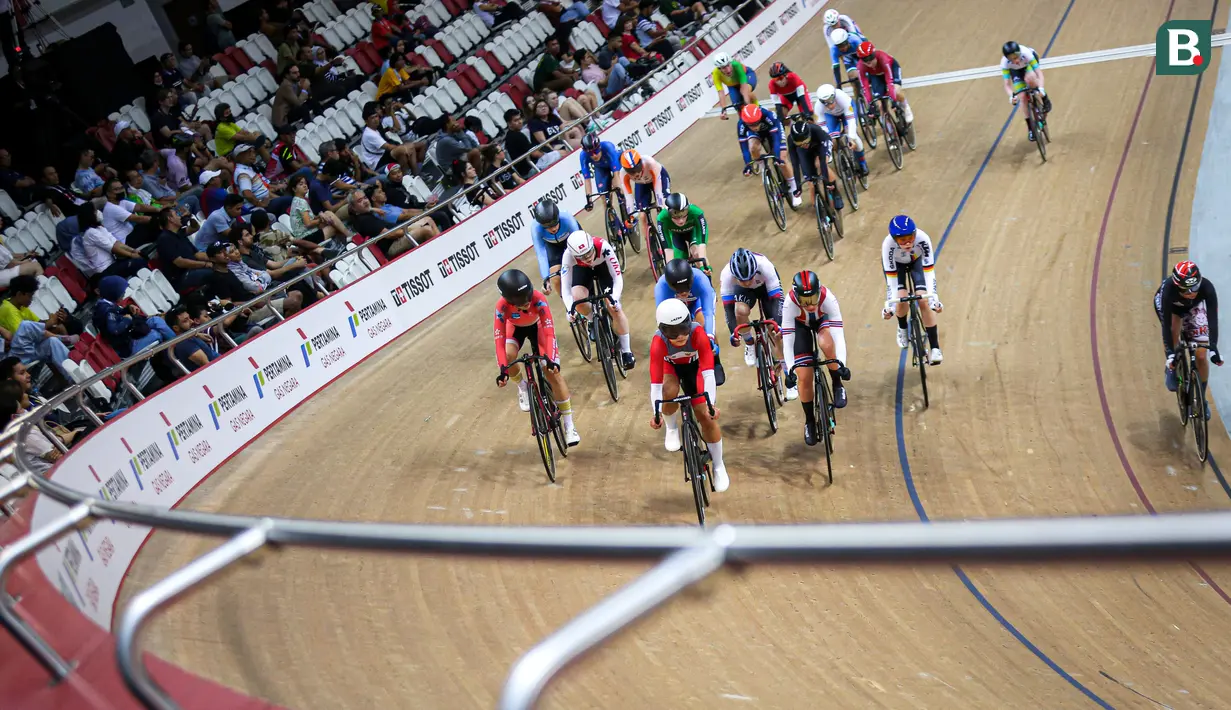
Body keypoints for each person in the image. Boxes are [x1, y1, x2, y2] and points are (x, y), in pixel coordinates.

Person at [648, 298, 728, 490]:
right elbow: (656, 385)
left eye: (684, 329)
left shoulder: (697, 332)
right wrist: (657, 414)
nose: (681, 336)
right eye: (673, 334)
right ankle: (672, 428)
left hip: (696, 370)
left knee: (705, 415)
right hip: (672, 370)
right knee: (669, 392)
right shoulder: (658, 343)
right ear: (663, 331)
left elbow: (708, 372)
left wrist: (711, 405)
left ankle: (718, 466)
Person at [493, 268, 580, 445]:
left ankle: (569, 425)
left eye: (528, 299)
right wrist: (503, 369)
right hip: (515, 328)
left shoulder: (539, 299)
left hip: (539, 328)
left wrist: (549, 359)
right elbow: (499, 340)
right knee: (509, 355)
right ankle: (522, 386)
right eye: (522, 304)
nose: (527, 304)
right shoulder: (501, 307)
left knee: (552, 372)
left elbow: (549, 332)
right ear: (510, 301)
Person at [783, 270, 850, 444]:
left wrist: (841, 364)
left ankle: (837, 384)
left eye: (813, 299)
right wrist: (790, 369)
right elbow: (788, 341)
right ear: (797, 297)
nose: (810, 305)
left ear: (819, 292)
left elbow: (838, 336)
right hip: (800, 327)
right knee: (804, 377)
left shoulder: (828, 298)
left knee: (827, 344)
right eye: (805, 301)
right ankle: (810, 421)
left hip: (822, 322)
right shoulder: (789, 303)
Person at [559, 230, 635, 369]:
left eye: (589, 253)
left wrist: (615, 299)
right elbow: (566, 288)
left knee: (614, 308)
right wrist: (570, 309)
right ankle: (590, 319)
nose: (588, 258)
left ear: (592, 246)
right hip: (582, 272)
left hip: (603, 269)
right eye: (582, 256)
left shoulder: (603, 246)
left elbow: (617, 277)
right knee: (577, 298)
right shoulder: (568, 256)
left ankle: (626, 351)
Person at [1157, 261, 1221, 416]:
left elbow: (1212, 319)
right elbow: (1166, 327)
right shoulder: (1168, 291)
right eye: (1186, 289)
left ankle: (1201, 399)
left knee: (1200, 355)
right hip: (1171, 308)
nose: (1192, 292)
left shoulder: (1207, 288)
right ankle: (1172, 366)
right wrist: (1170, 353)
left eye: (1195, 287)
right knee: (1173, 331)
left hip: (1193, 307)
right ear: (1177, 286)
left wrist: (1213, 347)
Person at [880, 215, 942, 364]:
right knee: (901, 296)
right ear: (895, 239)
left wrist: (934, 300)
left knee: (924, 300)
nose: (908, 243)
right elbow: (892, 283)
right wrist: (891, 307)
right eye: (902, 240)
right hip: (897, 266)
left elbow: (929, 272)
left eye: (910, 238)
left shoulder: (922, 238)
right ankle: (902, 328)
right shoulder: (887, 244)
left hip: (916, 261)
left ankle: (935, 348)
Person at [720, 247, 787, 380]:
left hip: (766, 288)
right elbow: (728, 309)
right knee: (739, 311)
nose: (747, 282)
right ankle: (749, 343)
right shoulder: (727, 274)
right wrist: (734, 333)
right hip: (744, 293)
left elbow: (777, 300)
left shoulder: (765, 265)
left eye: (749, 278)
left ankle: (787, 372)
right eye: (742, 280)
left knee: (776, 331)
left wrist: (777, 325)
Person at [656, 258, 723, 383]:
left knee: (702, 322)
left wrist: (710, 337)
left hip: (697, 301)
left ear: (691, 280)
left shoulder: (700, 279)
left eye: (686, 287)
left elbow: (708, 312)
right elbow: (663, 318)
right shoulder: (662, 287)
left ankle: (715, 359)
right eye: (679, 289)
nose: (684, 292)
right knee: (675, 328)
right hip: (676, 305)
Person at [92, 275, 177, 357]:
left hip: (133, 333)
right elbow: (115, 330)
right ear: (113, 292)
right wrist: (127, 320)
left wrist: (128, 309)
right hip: (128, 346)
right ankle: (176, 353)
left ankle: (178, 343)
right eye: (121, 293)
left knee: (156, 320)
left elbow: (117, 314)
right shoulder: (104, 309)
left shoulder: (107, 303)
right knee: (156, 334)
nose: (123, 294)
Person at [738, 104, 800, 208]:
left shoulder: (767, 115)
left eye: (755, 123)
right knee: (753, 147)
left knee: (782, 157)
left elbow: (776, 139)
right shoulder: (741, 124)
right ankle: (763, 167)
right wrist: (748, 165)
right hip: (757, 135)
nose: (754, 127)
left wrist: (777, 157)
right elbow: (744, 149)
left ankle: (794, 189)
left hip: (773, 129)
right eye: (750, 125)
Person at [71, 203, 147, 281]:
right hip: (105, 270)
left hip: (113, 263)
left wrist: (134, 250)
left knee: (142, 255)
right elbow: (113, 248)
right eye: (95, 211)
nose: (98, 212)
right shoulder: (90, 233)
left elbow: (116, 243)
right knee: (137, 262)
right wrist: (131, 255)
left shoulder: (100, 228)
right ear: (89, 215)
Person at [787, 119, 844, 211]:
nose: (803, 144)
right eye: (799, 143)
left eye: (805, 141)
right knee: (810, 181)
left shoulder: (815, 130)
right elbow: (795, 164)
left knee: (820, 164)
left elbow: (823, 161)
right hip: (805, 152)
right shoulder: (791, 140)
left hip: (820, 145)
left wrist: (826, 181)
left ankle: (835, 192)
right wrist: (798, 186)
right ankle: (819, 208)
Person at [530, 198, 582, 299]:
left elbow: (579, 240)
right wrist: (546, 278)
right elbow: (541, 254)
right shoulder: (535, 227)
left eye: (555, 224)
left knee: (581, 267)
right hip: (553, 246)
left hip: (572, 240)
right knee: (556, 279)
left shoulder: (567, 218)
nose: (553, 229)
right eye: (548, 227)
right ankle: (569, 306)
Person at [619, 149, 670, 250]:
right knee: (642, 215)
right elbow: (628, 196)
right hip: (642, 184)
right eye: (631, 172)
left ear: (640, 163)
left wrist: (661, 205)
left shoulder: (649, 162)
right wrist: (631, 216)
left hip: (659, 179)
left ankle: (671, 235)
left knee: (664, 210)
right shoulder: (623, 173)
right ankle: (652, 249)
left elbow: (658, 190)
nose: (635, 174)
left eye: (636, 169)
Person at [1002, 40, 1051, 142]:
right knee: (1022, 97)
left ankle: (1045, 98)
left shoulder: (1026, 53)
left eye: (1016, 56)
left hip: (1028, 63)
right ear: (1007, 58)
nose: (1015, 60)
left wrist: (1041, 89)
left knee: (1031, 79)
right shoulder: (1005, 63)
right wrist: (1012, 96)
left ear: (1020, 52)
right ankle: (1031, 129)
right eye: (1011, 58)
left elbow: (1039, 74)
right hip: (1016, 71)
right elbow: (1007, 85)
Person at [816, 83, 868, 176]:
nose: (829, 104)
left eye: (831, 100)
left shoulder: (841, 97)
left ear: (834, 96)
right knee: (831, 139)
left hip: (846, 112)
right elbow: (822, 128)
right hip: (831, 116)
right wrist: (829, 139)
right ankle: (842, 158)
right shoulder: (818, 107)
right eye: (825, 102)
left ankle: (862, 163)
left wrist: (851, 137)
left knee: (853, 135)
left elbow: (851, 120)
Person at [154, 208, 213, 291]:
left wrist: (214, 258)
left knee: (221, 265)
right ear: (170, 219)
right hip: (181, 276)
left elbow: (196, 253)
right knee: (216, 273)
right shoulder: (165, 239)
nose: (179, 217)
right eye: (176, 215)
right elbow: (180, 262)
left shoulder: (180, 233)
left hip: (193, 269)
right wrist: (205, 264)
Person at [856, 41, 913, 124]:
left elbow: (889, 81)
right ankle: (889, 131)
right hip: (876, 75)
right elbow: (865, 87)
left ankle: (906, 106)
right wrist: (870, 105)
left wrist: (893, 100)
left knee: (895, 91)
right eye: (865, 60)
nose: (869, 62)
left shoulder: (883, 58)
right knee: (880, 104)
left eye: (870, 58)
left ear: (874, 54)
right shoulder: (860, 67)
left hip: (891, 68)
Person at [656, 193, 710, 266]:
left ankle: (706, 275)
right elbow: (668, 250)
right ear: (668, 212)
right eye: (676, 216)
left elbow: (702, 245)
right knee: (678, 261)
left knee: (697, 254)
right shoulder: (662, 218)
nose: (681, 221)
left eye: (684, 215)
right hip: (676, 235)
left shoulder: (696, 212)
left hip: (692, 232)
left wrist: (704, 266)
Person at [580, 133, 623, 217]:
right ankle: (614, 226)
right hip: (601, 168)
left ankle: (628, 209)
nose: (594, 155)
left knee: (617, 185)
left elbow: (616, 175)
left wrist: (619, 190)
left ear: (599, 147)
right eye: (590, 153)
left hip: (616, 163)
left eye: (595, 151)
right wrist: (589, 201)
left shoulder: (608, 147)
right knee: (604, 198)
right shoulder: (583, 156)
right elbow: (587, 180)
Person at [168, 304, 219, 372]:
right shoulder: (185, 344)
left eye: (189, 318)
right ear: (176, 328)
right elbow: (209, 367)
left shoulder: (190, 336)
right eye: (186, 320)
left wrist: (197, 334)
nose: (191, 321)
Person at [712, 52, 756, 118]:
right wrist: (723, 110)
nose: (728, 70)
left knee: (746, 93)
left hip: (747, 75)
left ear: (730, 62)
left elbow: (744, 87)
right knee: (737, 105)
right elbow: (721, 93)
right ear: (719, 69)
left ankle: (758, 108)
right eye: (724, 68)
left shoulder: (736, 65)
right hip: (732, 85)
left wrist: (748, 104)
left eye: (728, 65)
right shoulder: (715, 73)